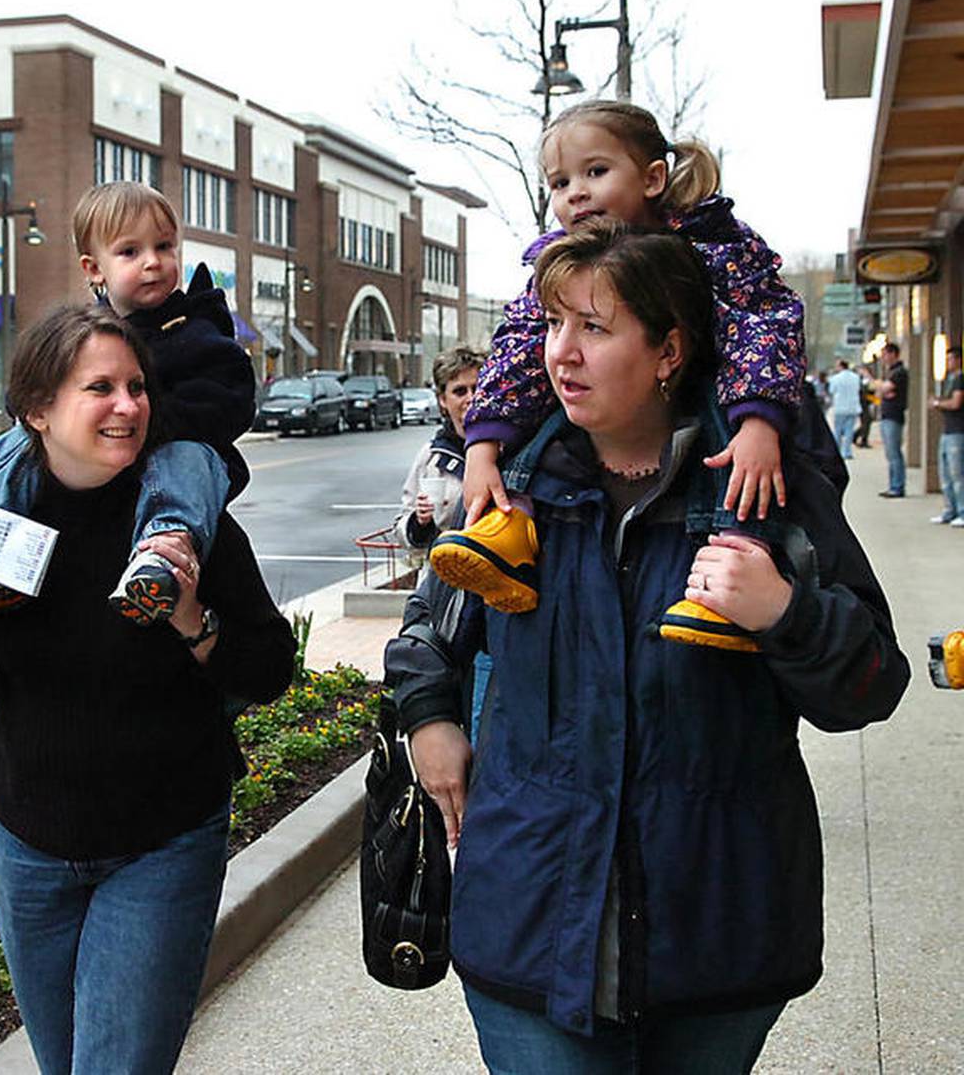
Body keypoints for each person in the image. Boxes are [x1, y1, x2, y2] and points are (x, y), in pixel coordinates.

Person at [385, 223, 908, 1072]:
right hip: (528, 919)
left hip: (717, 936)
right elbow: (425, 632)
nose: (561, 352)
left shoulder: (764, 492)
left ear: (669, 350)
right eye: (553, 324)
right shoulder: (510, 486)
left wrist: (785, 613)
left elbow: (871, 685)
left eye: (594, 327)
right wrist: (428, 720)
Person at [0, 304, 294, 1074]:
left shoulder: (180, 526)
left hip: (160, 843)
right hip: (28, 842)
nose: (129, 406)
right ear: (37, 410)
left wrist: (191, 617)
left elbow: (268, 668)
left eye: (137, 387)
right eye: (101, 389)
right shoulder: (8, 509)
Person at [430, 100, 804, 652]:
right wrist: (483, 448)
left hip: (725, 407)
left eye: (595, 172)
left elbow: (766, 325)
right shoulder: (554, 266)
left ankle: (731, 566)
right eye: (559, 183)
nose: (575, 193)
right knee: (542, 422)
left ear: (653, 178)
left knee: (736, 466)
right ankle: (511, 531)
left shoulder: (714, 247)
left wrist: (760, 422)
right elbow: (514, 353)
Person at [0, 181, 255, 625]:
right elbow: (28, 396)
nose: (153, 262)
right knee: (14, 443)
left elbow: (233, 400)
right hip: (80, 491)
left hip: (180, 463)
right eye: (130, 251)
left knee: (185, 455)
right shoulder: (84, 336)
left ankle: (161, 554)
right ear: (94, 268)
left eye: (164, 246)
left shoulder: (195, 330)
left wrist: (148, 425)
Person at [395, 346, 484, 566]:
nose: (471, 398)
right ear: (443, 400)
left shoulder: (509, 448)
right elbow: (403, 531)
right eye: (460, 391)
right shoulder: (431, 457)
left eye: (477, 388)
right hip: (443, 577)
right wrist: (419, 522)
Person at [931, 344, 964, 525]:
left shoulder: (960, 379)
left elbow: (955, 403)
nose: (948, 362)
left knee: (957, 473)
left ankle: (962, 511)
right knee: (945, 474)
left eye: (951, 359)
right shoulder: (949, 380)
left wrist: (938, 404)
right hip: (947, 430)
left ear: (959, 360)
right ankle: (949, 510)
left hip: (958, 431)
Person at [878, 340, 908, 497]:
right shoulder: (890, 372)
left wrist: (880, 387)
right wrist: (883, 391)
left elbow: (882, 388)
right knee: (890, 453)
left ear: (893, 354)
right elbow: (881, 391)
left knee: (894, 452)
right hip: (886, 415)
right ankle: (893, 485)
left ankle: (897, 486)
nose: (883, 358)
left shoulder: (899, 372)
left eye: (884, 355)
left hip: (894, 416)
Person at [827, 357, 861, 459]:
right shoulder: (856, 377)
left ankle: (837, 451)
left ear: (840, 366)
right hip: (853, 407)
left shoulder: (835, 378)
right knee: (849, 431)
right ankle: (847, 452)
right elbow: (858, 389)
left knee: (838, 430)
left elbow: (831, 391)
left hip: (840, 407)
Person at [854, 363, 877, 448]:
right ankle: (862, 439)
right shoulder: (860, 381)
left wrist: (875, 401)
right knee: (866, 422)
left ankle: (857, 437)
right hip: (862, 404)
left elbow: (873, 391)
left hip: (867, 403)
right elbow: (864, 394)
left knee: (867, 422)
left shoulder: (869, 380)